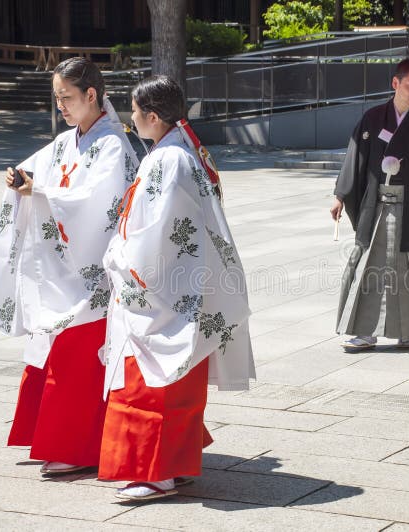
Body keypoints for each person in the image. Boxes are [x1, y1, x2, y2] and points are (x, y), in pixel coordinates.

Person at [98, 75, 254, 501]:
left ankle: (156, 471)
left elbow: (162, 232)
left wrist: (121, 260)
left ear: (152, 116)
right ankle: (176, 465)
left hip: (163, 286)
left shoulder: (168, 160)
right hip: (182, 283)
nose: (131, 119)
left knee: (149, 386)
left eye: (134, 112)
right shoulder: (180, 152)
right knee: (175, 383)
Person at [0, 57, 138, 474]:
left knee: (78, 356)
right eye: (57, 99)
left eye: (67, 98)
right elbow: (39, 168)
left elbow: (97, 202)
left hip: (95, 269)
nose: (62, 107)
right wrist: (21, 178)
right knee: (56, 348)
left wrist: (43, 192)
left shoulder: (114, 144)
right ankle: (60, 440)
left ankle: (76, 447)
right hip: (68, 266)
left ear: (92, 95)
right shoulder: (70, 140)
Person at [332, 58, 409, 350]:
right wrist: (340, 195)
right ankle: (364, 330)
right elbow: (354, 157)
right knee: (369, 264)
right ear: (395, 83)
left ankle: (406, 329)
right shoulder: (373, 118)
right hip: (377, 204)